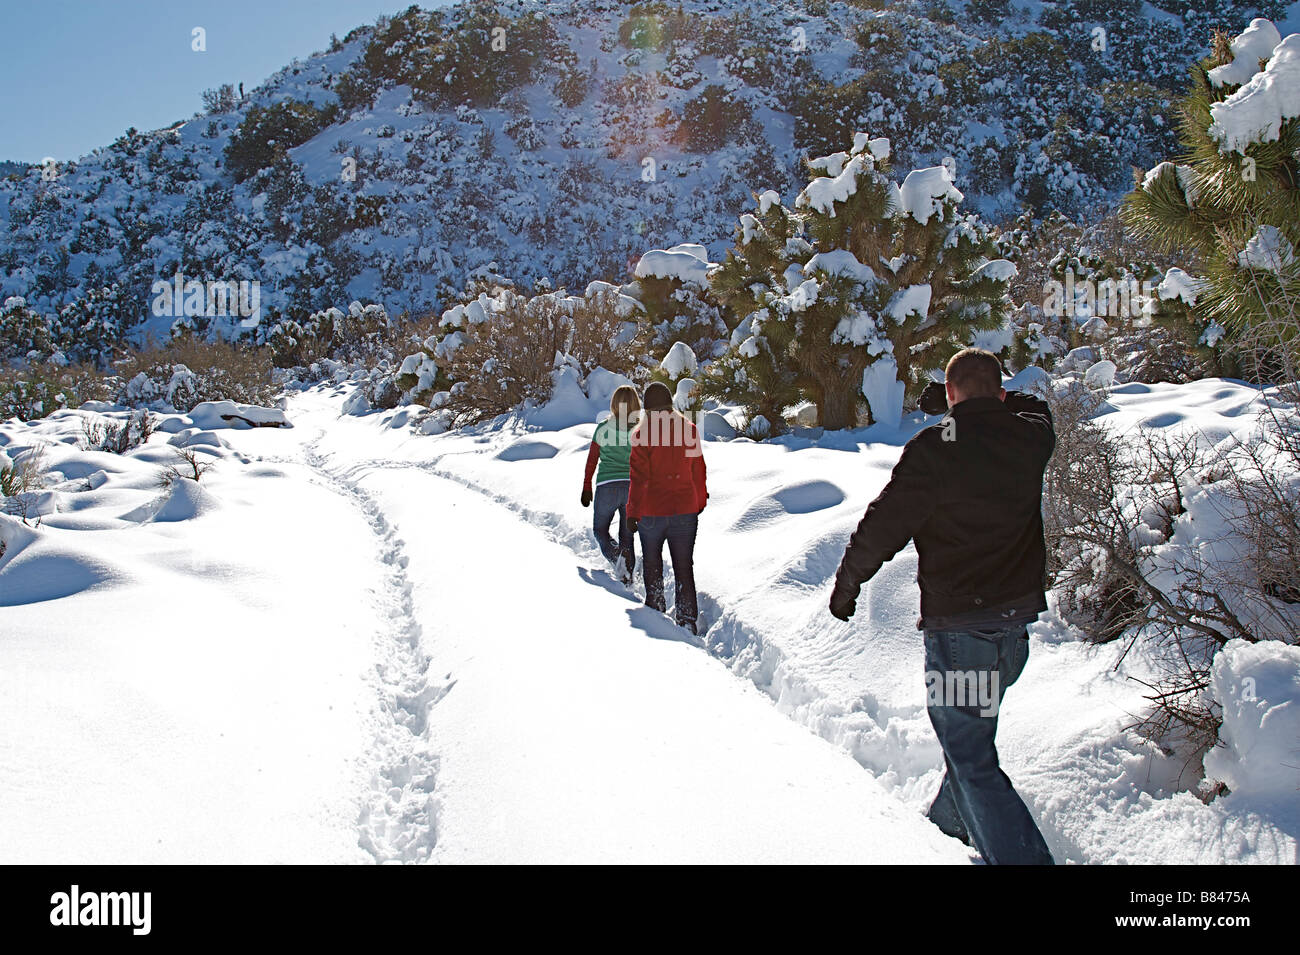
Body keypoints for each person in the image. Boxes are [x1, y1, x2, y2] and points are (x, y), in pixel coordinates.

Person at [829, 347, 1056, 865]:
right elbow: (1035, 406)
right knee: (969, 743)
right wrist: (987, 400)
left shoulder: (934, 447)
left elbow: (884, 524)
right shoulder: (1030, 436)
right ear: (1000, 392)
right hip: (1013, 633)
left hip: (960, 634)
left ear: (949, 395)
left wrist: (847, 583)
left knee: (972, 757)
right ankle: (944, 838)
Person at [626, 381, 708, 634]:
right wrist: (700, 501)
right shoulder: (689, 429)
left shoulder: (641, 435)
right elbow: (698, 470)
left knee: (652, 562)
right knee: (684, 565)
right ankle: (687, 618)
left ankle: (656, 608)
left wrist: (632, 512)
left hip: (652, 510)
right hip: (685, 508)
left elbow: (639, 478)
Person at [581, 385, 641, 585]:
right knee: (627, 537)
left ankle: (618, 561)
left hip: (606, 485)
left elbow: (592, 460)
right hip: (632, 488)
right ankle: (627, 577)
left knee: (600, 530)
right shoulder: (641, 430)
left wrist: (586, 486)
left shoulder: (603, 427)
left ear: (614, 404)